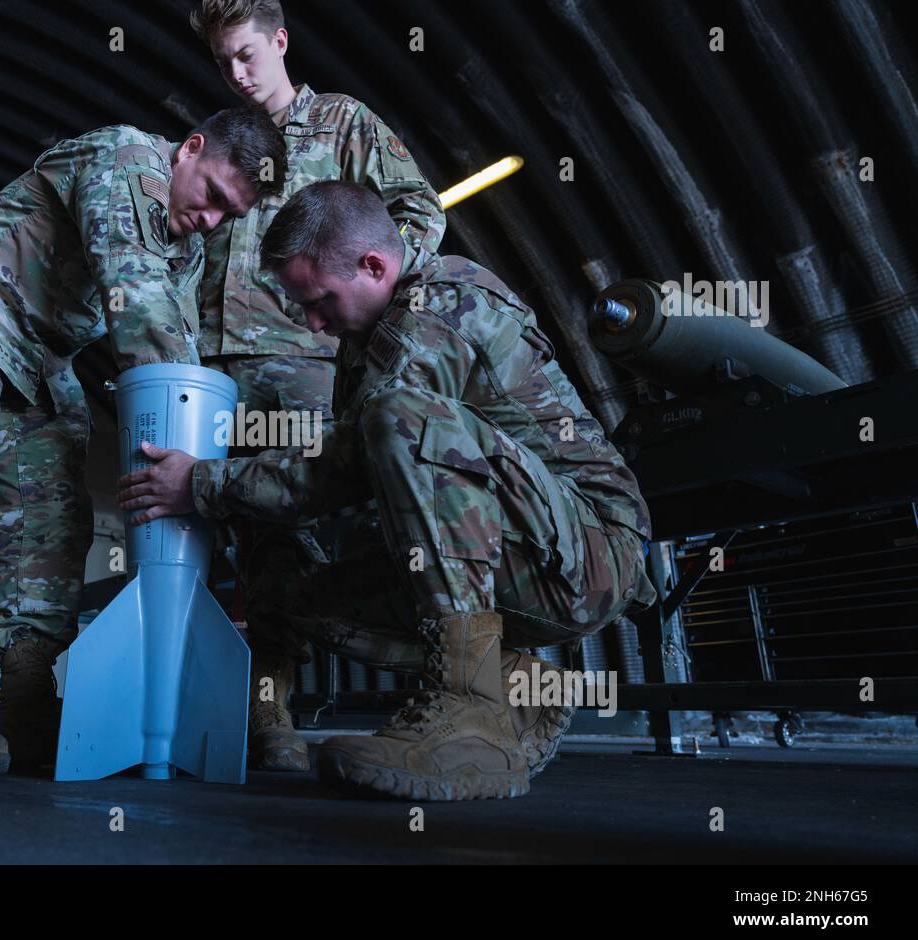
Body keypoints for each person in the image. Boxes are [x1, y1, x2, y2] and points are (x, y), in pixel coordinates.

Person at [117, 181, 658, 800]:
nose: (315, 324)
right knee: (293, 590)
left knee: (401, 415)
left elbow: (342, 464)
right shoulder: (363, 343)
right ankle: (509, 688)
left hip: (591, 553)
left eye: (321, 301)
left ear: (375, 266)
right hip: (518, 546)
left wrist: (202, 481)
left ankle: (468, 713)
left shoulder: (440, 308)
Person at [0, 106, 286, 780]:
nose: (210, 220)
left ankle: (26, 703)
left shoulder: (189, 248)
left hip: (39, 361)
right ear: (189, 150)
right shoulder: (126, 160)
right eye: (210, 196)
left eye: (227, 215)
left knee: (55, 519)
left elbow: (185, 362)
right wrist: (194, 471)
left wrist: (207, 465)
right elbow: (139, 308)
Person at [189, 0, 446, 771]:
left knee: (283, 525)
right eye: (224, 61)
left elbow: (418, 213)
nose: (238, 73)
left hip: (300, 361)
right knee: (195, 521)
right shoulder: (230, 139)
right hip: (211, 366)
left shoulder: (342, 123)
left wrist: (361, 318)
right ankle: (196, 710)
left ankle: (275, 717)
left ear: (280, 42)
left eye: (247, 55)